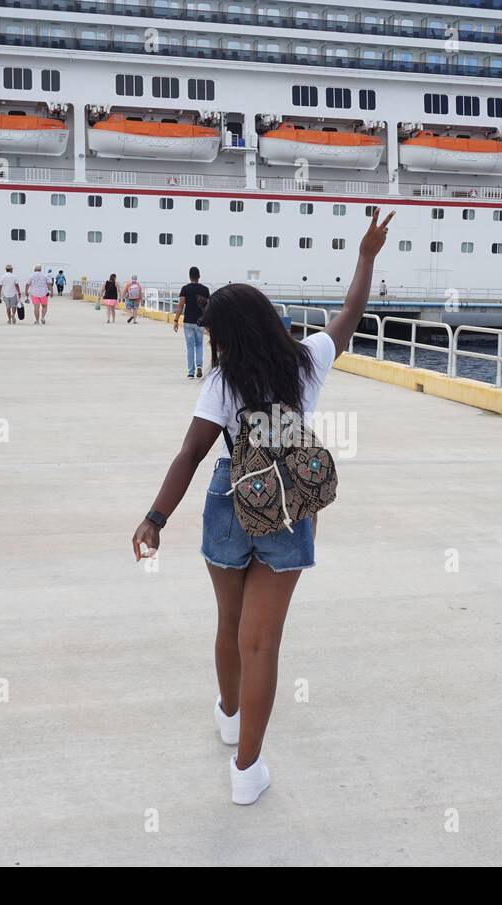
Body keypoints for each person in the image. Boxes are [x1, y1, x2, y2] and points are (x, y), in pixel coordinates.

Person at [131, 208, 395, 806]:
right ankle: (247, 772)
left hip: (230, 503)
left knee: (229, 625)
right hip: (290, 510)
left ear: (225, 335)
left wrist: (155, 519)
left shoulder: (221, 383)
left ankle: (229, 715)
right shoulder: (307, 364)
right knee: (262, 642)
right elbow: (349, 315)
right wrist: (366, 257)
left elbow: (191, 454)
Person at [174, 266, 211, 379]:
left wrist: (176, 320)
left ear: (189, 276)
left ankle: (191, 372)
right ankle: (199, 365)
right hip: (200, 322)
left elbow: (180, 306)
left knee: (190, 346)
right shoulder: (205, 289)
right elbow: (208, 307)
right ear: (199, 276)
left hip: (188, 321)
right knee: (199, 344)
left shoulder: (185, 288)